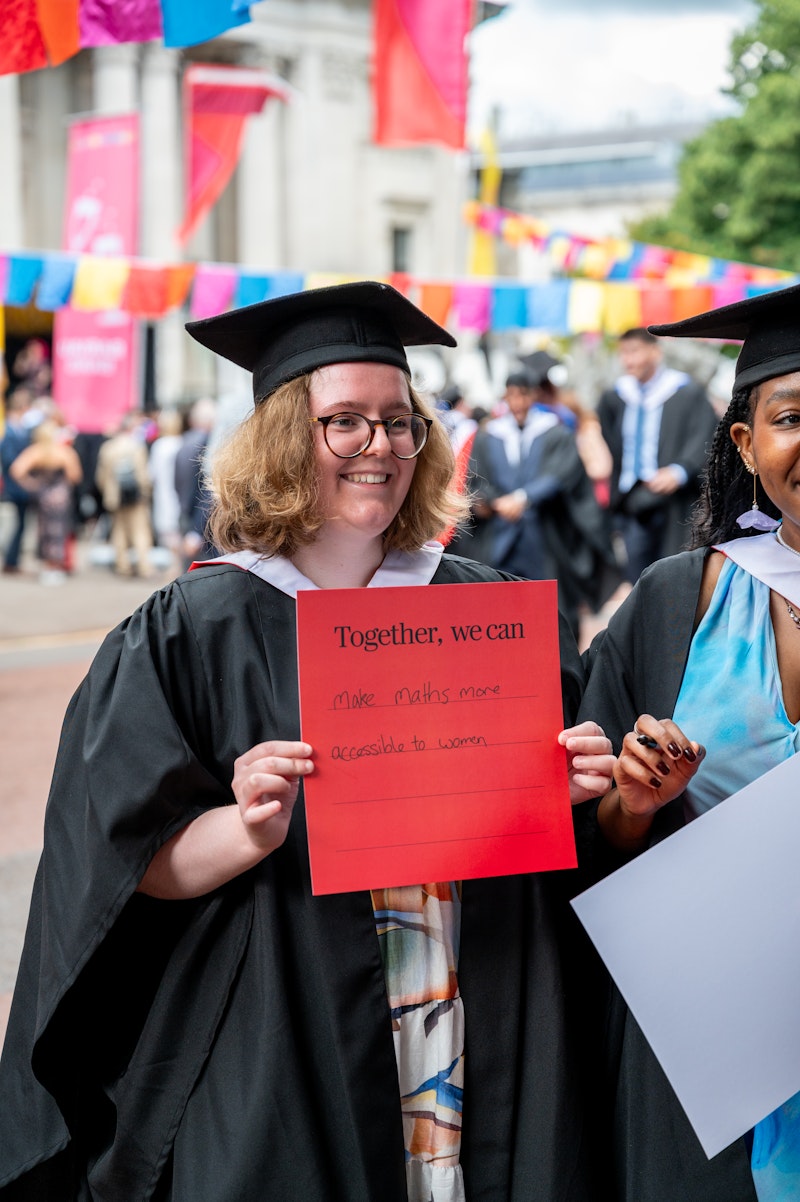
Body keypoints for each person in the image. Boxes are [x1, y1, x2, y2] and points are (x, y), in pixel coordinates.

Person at [0, 281, 614, 1202]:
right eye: (346, 424)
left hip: (481, 1001)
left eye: (400, 423)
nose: (381, 446)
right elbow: (126, 864)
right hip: (286, 1028)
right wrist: (245, 828)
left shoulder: (481, 607)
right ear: (289, 438)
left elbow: (553, 843)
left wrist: (562, 793)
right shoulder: (193, 627)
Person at [577, 280, 800, 1201]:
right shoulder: (676, 601)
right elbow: (591, 836)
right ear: (746, 444)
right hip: (710, 1046)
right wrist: (634, 805)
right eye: (792, 417)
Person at [461, 369, 619, 639]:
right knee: (502, 612)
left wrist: (524, 498)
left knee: (553, 612)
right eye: (511, 396)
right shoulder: (489, 435)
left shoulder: (555, 433)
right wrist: (494, 502)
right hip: (501, 539)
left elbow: (562, 474)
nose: (517, 402)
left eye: (522, 395)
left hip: (545, 538)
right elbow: (476, 479)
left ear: (533, 396)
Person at [596, 327, 718, 582]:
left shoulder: (685, 391)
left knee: (674, 570)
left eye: (634, 352)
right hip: (632, 496)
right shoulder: (615, 396)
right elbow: (611, 439)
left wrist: (681, 470)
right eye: (623, 353)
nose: (628, 360)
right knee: (637, 574)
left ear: (655, 352)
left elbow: (704, 433)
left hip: (675, 499)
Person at [9, 416, 82, 584]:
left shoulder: (35, 451)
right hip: (61, 496)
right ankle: (56, 566)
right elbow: (75, 475)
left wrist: (32, 484)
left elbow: (17, 470)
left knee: (44, 531)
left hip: (43, 496)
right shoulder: (64, 451)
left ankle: (47, 565)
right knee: (60, 530)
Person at [95, 412, 155, 578]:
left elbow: (101, 476)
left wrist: (107, 492)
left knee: (119, 531)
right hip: (135, 496)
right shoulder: (137, 446)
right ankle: (144, 566)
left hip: (115, 497)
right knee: (140, 530)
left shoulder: (108, 447)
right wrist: (146, 491)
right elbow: (143, 474)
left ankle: (122, 565)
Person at [174, 395, 217, 569]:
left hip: (186, 511)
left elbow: (177, 482)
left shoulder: (184, 442)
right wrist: (196, 531)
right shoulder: (207, 444)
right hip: (201, 518)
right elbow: (207, 488)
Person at [0, 387, 34, 573]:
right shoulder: (8, 430)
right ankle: (11, 561)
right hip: (13, 486)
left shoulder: (20, 430)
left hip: (18, 486)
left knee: (20, 525)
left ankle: (13, 560)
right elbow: (10, 461)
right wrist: (26, 480)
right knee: (15, 525)